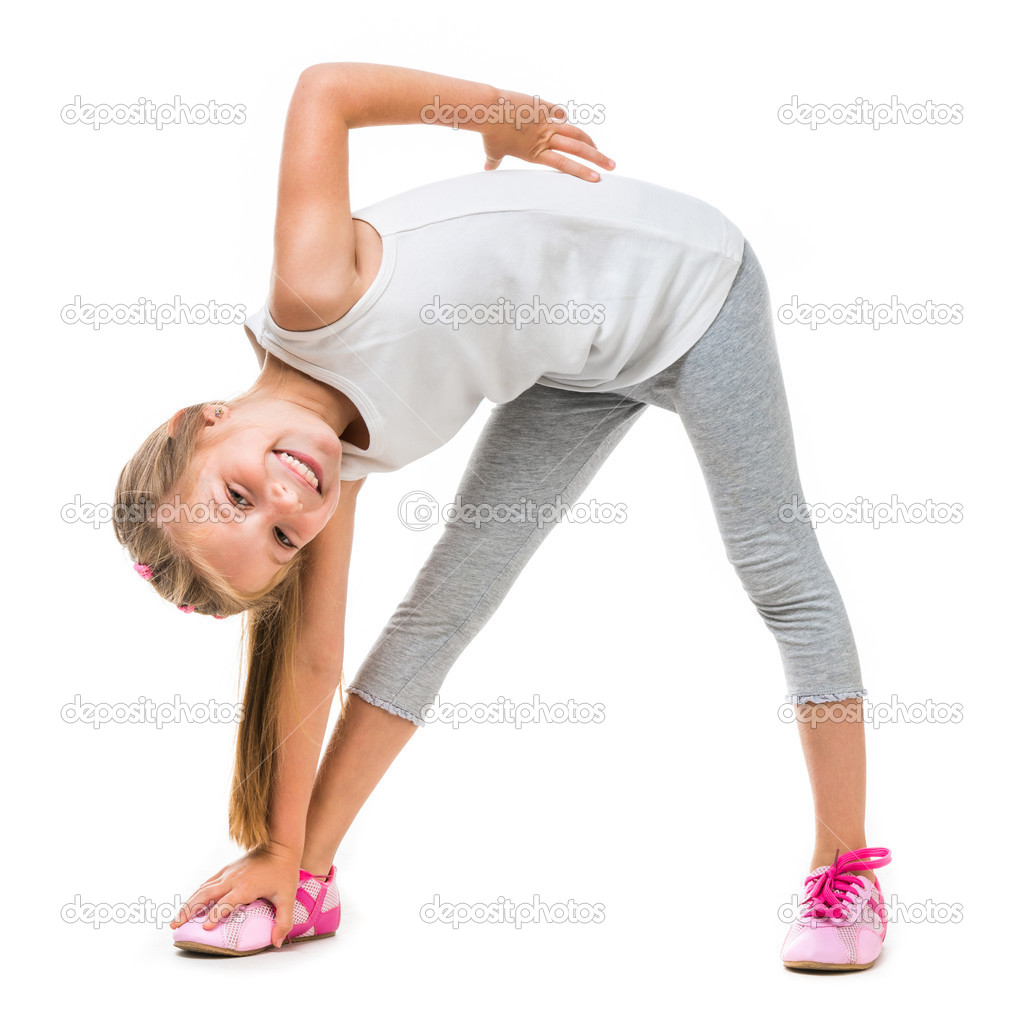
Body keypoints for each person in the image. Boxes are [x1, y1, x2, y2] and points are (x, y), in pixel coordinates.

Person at [113, 62, 891, 968]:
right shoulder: (336, 467)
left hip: (694, 289)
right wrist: (277, 849)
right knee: (439, 615)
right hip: (577, 364)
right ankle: (307, 876)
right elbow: (310, 660)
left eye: (238, 496)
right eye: (281, 539)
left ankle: (847, 872)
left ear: (203, 420)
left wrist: (502, 116)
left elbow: (324, 91)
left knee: (775, 567)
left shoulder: (311, 294)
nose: (285, 505)